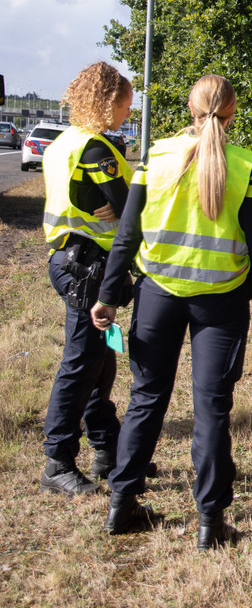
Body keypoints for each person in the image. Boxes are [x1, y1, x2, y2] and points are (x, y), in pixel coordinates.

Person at [91, 74, 252, 550]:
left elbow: (127, 235)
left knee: (146, 397)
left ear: (190, 110)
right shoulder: (243, 164)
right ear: (232, 111)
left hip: (158, 294)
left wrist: (109, 295)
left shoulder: (154, 157)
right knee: (212, 409)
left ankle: (122, 503)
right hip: (221, 300)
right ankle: (210, 523)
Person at [38, 62, 135, 496]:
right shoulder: (96, 150)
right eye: (124, 107)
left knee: (102, 358)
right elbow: (132, 207)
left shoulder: (63, 144)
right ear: (108, 101)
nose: (126, 116)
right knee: (81, 364)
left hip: (72, 260)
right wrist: (122, 209)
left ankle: (106, 448)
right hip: (87, 266)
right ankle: (57, 461)